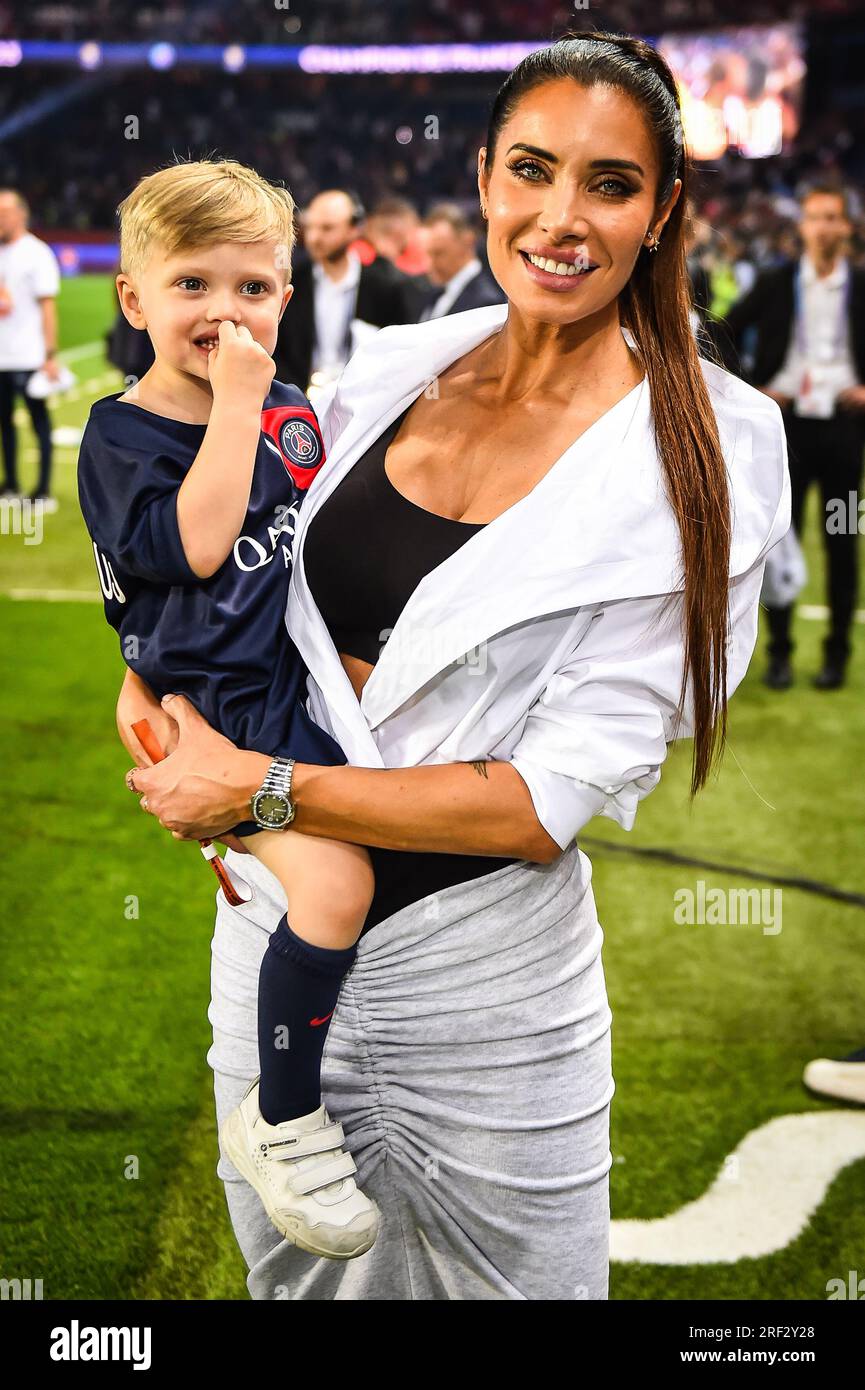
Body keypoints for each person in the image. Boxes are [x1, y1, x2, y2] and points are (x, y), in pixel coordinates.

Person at [123, 31, 790, 1301]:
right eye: (531, 169)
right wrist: (153, 697)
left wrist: (261, 790)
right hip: (268, 942)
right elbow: (226, 606)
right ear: (482, 175)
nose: (560, 216)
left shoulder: (714, 445)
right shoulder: (381, 375)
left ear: (662, 212)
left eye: (609, 184)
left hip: (484, 989)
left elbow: (541, 803)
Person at [77, 158, 382, 1261]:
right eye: (192, 285)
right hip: (215, 712)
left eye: (252, 288)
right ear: (134, 299)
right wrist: (243, 405)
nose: (224, 311)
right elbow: (202, 545)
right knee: (338, 881)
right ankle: (283, 1117)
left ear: (287, 296)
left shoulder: (294, 412)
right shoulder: (121, 434)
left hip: (296, 688)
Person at [708, 183, 865, 690]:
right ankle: (779, 653)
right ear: (802, 226)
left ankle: (836, 654)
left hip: (843, 434)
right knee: (778, 541)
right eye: (814, 217)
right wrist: (750, 391)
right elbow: (720, 331)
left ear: (847, 227)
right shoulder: (778, 283)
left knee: (842, 540)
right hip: (787, 431)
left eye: (831, 217)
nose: (822, 227)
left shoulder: (860, 286)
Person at [272, 189, 418, 393]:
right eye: (310, 227)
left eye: (327, 228)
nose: (314, 237)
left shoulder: (385, 286)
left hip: (366, 397)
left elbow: (401, 351)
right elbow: (278, 351)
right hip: (301, 399)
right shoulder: (292, 282)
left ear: (354, 229)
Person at [0, 188, 62, 509]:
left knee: (39, 421)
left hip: (29, 355)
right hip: (1, 357)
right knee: (4, 424)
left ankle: (43, 490)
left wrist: (50, 355)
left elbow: (48, 307)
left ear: (22, 214)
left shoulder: (37, 253)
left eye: (4, 213)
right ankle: (10, 483)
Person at [418, 202, 505, 319]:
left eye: (439, 253)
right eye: (427, 254)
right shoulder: (434, 294)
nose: (430, 264)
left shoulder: (486, 301)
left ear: (467, 241)